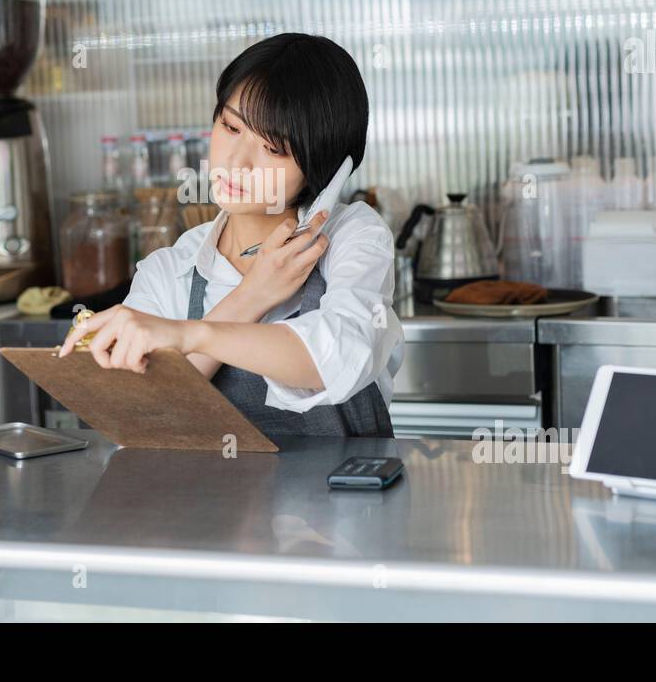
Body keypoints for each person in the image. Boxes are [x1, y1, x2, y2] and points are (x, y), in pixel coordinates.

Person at [58, 33, 403, 437]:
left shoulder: (353, 237)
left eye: (273, 149)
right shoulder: (173, 268)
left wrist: (190, 335)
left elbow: (340, 356)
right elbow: (144, 419)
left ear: (322, 168)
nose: (237, 162)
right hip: (213, 500)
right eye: (231, 127)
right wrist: (249, 298)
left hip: (351, 499)